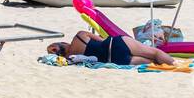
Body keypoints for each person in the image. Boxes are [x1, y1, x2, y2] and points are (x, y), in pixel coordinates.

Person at [47, 32, 176, 66]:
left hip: (115, 59)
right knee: (155, 52)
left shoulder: (71, 58)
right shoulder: (80, 36)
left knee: (152, 61)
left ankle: (171, 65)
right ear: (62, 43)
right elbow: (103, 40)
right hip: (115, 44)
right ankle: (175, 64)